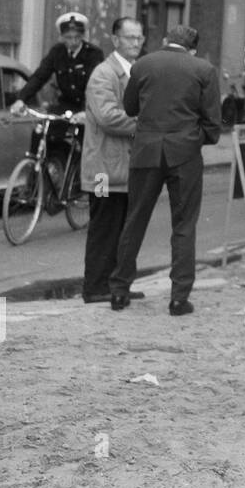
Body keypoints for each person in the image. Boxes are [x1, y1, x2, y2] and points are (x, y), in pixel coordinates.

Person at [107, 24, 221, 315]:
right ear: (192, 48)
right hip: (184, 153)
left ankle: (119, 291)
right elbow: (213, 124)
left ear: (165, 41)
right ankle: (178, 298)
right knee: (183, 225)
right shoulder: (204, 69)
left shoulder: (143, 64)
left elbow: (130, 108)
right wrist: (195, 139)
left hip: (146, 150)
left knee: (135, 220)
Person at [81, 17, 145, 304]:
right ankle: (95, 288)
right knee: (104, 229)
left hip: (122, 168)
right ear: (116, 40)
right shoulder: (104, 74)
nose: (136, 43)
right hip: (103, 170)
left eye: (139, 38)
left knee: (121, 230)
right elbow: (107, 117)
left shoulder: (134, 72)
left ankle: (117, 285)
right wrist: (146, 123)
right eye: (130, 37)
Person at [11, 11, 105, 117]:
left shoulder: (93, 54)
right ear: (61, 37)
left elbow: (94, 86)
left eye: (77, 37)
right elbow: (39, 77)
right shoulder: (57, 52)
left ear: (83, 36)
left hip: (87, 108)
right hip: (64, 107)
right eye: (68, 37)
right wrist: (21, 99)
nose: (73, 42)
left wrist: (85, 112)